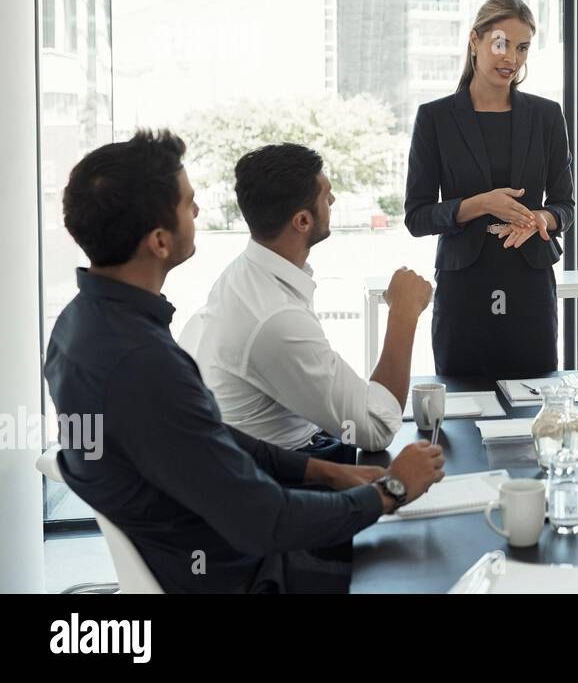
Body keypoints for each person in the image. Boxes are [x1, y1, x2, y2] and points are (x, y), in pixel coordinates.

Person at [43, 130, 443, 592]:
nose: (196, 211)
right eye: (187, 203)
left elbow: (205, 433)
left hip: (205, 543)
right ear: (158, 241)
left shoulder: (81, 325)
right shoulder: (141, 364)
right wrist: (391, 492)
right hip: (243, 572)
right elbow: (266, 521)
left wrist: (326, 471)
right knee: (428, 559)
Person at [180, 143, 432, 458]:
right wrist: (404, 314)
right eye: (326, 195)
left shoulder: (244, 273)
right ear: (302, 221)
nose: (333, 199)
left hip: (290, 449)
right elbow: (376, 429)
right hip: (287, 476)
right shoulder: (276, 318)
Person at [404, 0, 575, 382]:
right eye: (500, 43)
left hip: (529, 284)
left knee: (534, 407)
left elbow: (565, 205)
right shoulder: (435, 119)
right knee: (463, 408)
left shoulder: (547, 117)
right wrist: (480, 204)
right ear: (475, 40)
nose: (510, 58)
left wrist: (539, 218)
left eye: (522, 47)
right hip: (464, 287)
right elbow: (417, 216)